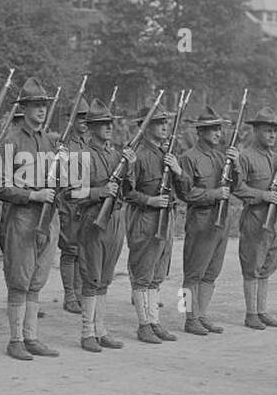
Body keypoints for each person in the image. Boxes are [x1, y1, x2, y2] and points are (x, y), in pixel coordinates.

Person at [0, 78, 61, 360]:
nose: (41, 110)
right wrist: (32, 196)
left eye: (44, 105)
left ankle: (31, 337)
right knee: (19, 281)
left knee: (36, 281)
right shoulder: (11, 141)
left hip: (48, 219)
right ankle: (15, 340)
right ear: (23, 108)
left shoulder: (48, 141)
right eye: (36, 105)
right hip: (21, 217)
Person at [73, 98, 132, 351]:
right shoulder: (82, 156)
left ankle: (101, 329)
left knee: (105, 278)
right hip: (92, 219)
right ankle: (87, 333)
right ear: (90, 127)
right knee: (91, 276)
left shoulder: (116, 154)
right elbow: (71, 193)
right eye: (102, 123)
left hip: (115, 219)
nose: (108, 127)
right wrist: (100, 191)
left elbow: (128, 190)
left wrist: (129, 166)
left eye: (109, 123)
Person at [123, 103, 185, 343]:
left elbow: (184, 189)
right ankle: (143, 324)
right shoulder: (137, 155)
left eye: (165, 122)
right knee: (143, 273)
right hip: (144, 218)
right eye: (159, 123)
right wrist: (149, 200)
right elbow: (126, 192)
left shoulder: (167, 155)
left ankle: (154, 321)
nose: (164, 127)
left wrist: (178, 170)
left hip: (165, 218)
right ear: (145, 126)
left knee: (158, 273)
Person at [178, 105, 240, 335]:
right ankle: (187, 317)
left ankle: (201, 315)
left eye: (219, 129)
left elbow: (235, 184)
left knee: (211, 272)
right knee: (192, 272)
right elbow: (185, 193)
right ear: (200, 132)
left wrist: (236, 163)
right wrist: (213, 194)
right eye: (212, 129)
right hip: (200, 220)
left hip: (220, 220)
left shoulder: (221, 156)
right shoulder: (189, 158)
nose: (218, 133)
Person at [233, 107, 277, 330]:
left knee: (267, 266)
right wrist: (262, 195)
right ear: (255, 131)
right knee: (252, 266)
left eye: (275, 131)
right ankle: (251, 313)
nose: (272, 135)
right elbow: (238, 188)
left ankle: (262, 311)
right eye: (267, 131)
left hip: (275, 218)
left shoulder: (276, 158)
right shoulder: (246, 157)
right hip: (256, 216)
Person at [57, 96, 91, 314]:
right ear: (71, 119)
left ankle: (79, 293)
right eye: (80, 118)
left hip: (85, 202)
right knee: (70, 250)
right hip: (69, 202)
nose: (84, 122)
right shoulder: (63, 144)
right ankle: (69, 295)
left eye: (87, 119)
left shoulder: (87, 143)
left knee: (82, 249)